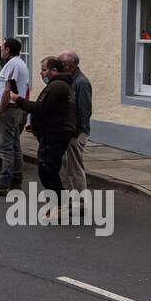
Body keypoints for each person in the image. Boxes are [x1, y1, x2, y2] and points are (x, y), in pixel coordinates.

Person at [13, 57, 76, 205]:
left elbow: (40, 107)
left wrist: (19, 100)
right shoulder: (60, 85)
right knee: (49, 170)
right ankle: (60, 204)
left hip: (55, 134)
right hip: (54, 133)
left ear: (54, 71)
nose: (41, 73)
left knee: (47, 170)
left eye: (43, 70)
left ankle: (61, 204)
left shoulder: (57, 86)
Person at [0, 38, 29, 196]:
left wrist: (0, 110)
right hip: (14, 109)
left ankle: (3, 184)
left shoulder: (13, 64)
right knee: (15, 147)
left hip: (8, 110)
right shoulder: (19, 63)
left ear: (8, 50)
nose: (0, 50)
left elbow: (8, 88)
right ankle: (16, 182)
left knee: (5, 149)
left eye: (2, 48)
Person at [59, 49, 93, 195]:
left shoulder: (81, 82)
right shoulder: (71, 80)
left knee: (75, 169)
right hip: (70, 131)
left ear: (67, 65)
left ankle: (80, 203)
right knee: (67, 168)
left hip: (76, 133)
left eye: (59, 63)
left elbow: (85, 110)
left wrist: (75, 132)